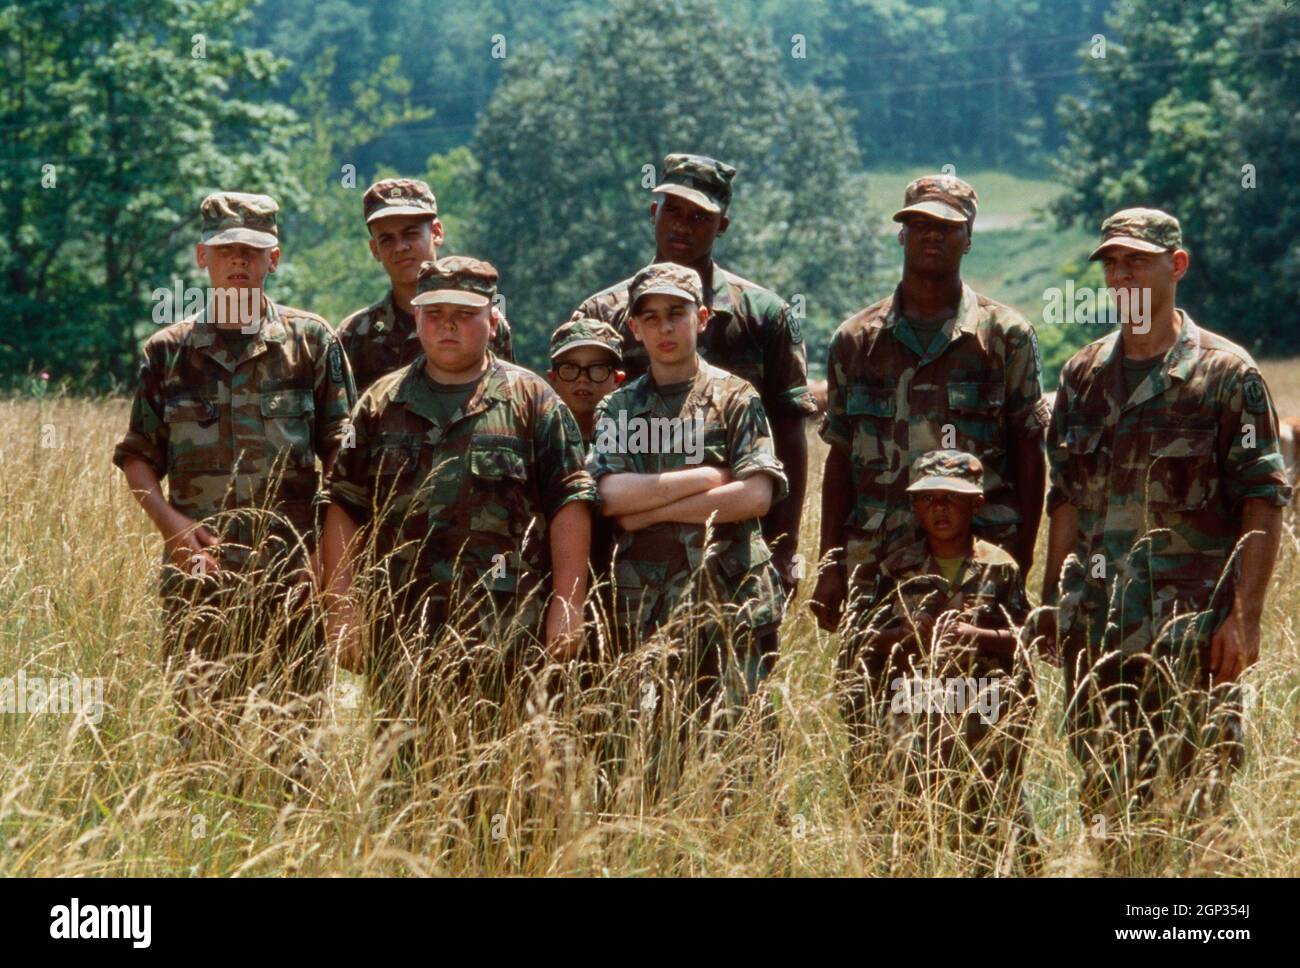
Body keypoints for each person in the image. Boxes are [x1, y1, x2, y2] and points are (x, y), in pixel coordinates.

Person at [1043, 207, 1290, 869]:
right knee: (1106, 811)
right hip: (1096, 636)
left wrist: (1244, 617)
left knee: (1198, 814)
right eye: (1113, 263)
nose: (1122, 274)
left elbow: (1263, 499)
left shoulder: (1226, 376)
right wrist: (1049, 604)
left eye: (1137, 261)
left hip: (1192, 638)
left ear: (1175, 267)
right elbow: (1064, 496)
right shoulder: (1081, 377)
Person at [322, 257, 594, 760]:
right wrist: (342, 608)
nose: (448, 324)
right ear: (417, 320)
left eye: (465, 313)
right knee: (406, 781)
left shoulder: (533, 400)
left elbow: (570, 502)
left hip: (512, 633)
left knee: (513, 780)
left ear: (493, 320)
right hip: (404, 632)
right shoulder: (381, 403)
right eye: (435, 312)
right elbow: (343, 506)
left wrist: (568, 603)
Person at [113, 191, 355, 756]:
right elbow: (137, 455)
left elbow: (344, 462)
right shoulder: (169, 351)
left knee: (294, 744)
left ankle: (291, 844)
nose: (240, 261)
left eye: (254, 249)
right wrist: (169, 524)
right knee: (200, 741)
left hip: (292, 578)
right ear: (203, 257)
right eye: (227, 251)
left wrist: (326, 558)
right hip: (200, 576)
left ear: (274, 258)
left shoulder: (311, 342)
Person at [811, 173, 1047, 638]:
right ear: (902, 235)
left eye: (948, 226)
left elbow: (1028, 452)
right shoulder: (856, 340)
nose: (932, 235)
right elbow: (840, 458)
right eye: (918, 225)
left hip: (979, 561)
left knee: (982, 700)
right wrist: (830, 562)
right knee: (873, 702)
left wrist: (1020, 556)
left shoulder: (1005, 336)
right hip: (876, 564)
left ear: (969, 239)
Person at [574, 154, 815, 609]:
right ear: (654, 214)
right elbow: (577, 425)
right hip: (622, 553)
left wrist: (784, 548)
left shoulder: (763, 316)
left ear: (722, 225)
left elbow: (789, 432)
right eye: (674, 212)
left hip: (732, 552)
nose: (683, 226)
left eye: (700, 217)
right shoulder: (602, 313)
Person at [588, 262, 786, 731]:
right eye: (650, 318)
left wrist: (649, 512)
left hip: (732, 599)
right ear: (634, 328)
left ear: (700, 318)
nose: (664, 328)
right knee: (653, 749)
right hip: (647, 606)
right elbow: (608, 494)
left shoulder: (736, 397)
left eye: (675, 313)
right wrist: (708, 477)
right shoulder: (619, 407)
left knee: (743, 745)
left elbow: (756, 496)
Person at [839, 450, 1041, 874]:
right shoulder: (895, 567)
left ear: (976, 504)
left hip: (983, 721)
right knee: (906, 836)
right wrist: (903, 635)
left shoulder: (1000, 568)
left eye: (952, 498)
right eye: (929, 499)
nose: (940, 509)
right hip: (913, 721)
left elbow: (1027, 639)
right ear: (915, 506)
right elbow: (858, 642)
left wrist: (977, 637)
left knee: (993, 834)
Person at [337, 178, 513, 396]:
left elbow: (509, 399)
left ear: (437, 232)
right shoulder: (354, 335)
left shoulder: (482, 322)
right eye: (387, 239)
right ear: (374, 249)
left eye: (410, 233)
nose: (400, 247)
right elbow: (345, 420)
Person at [545, 315, 626, 623]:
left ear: (618, 378)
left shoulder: (637, 441)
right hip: (554, 591)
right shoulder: (537, 443)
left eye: (596, 369)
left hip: (624, 592)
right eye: (570, 369)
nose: (582, 380)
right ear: (552, 377)